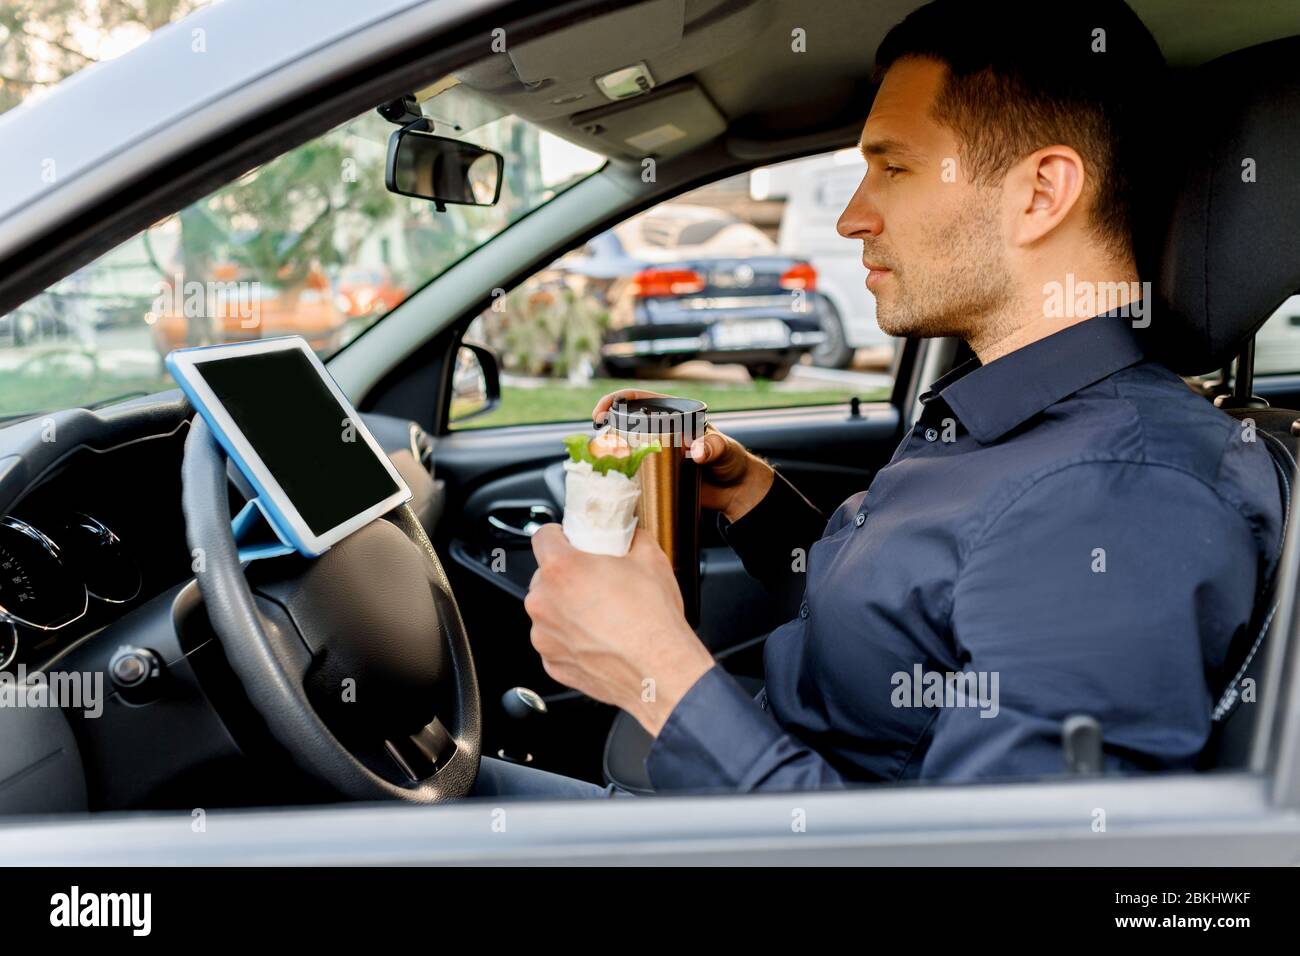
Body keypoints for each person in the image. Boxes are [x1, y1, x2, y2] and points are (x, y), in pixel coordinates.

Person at [473, 0, 1284, 798]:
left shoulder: (1117, 498)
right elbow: (906, 628)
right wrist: (755, 498)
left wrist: (656, 679)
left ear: (1041, 193)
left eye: (893, 166)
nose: (855, 216)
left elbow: (995, 869)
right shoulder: (1008, 415)